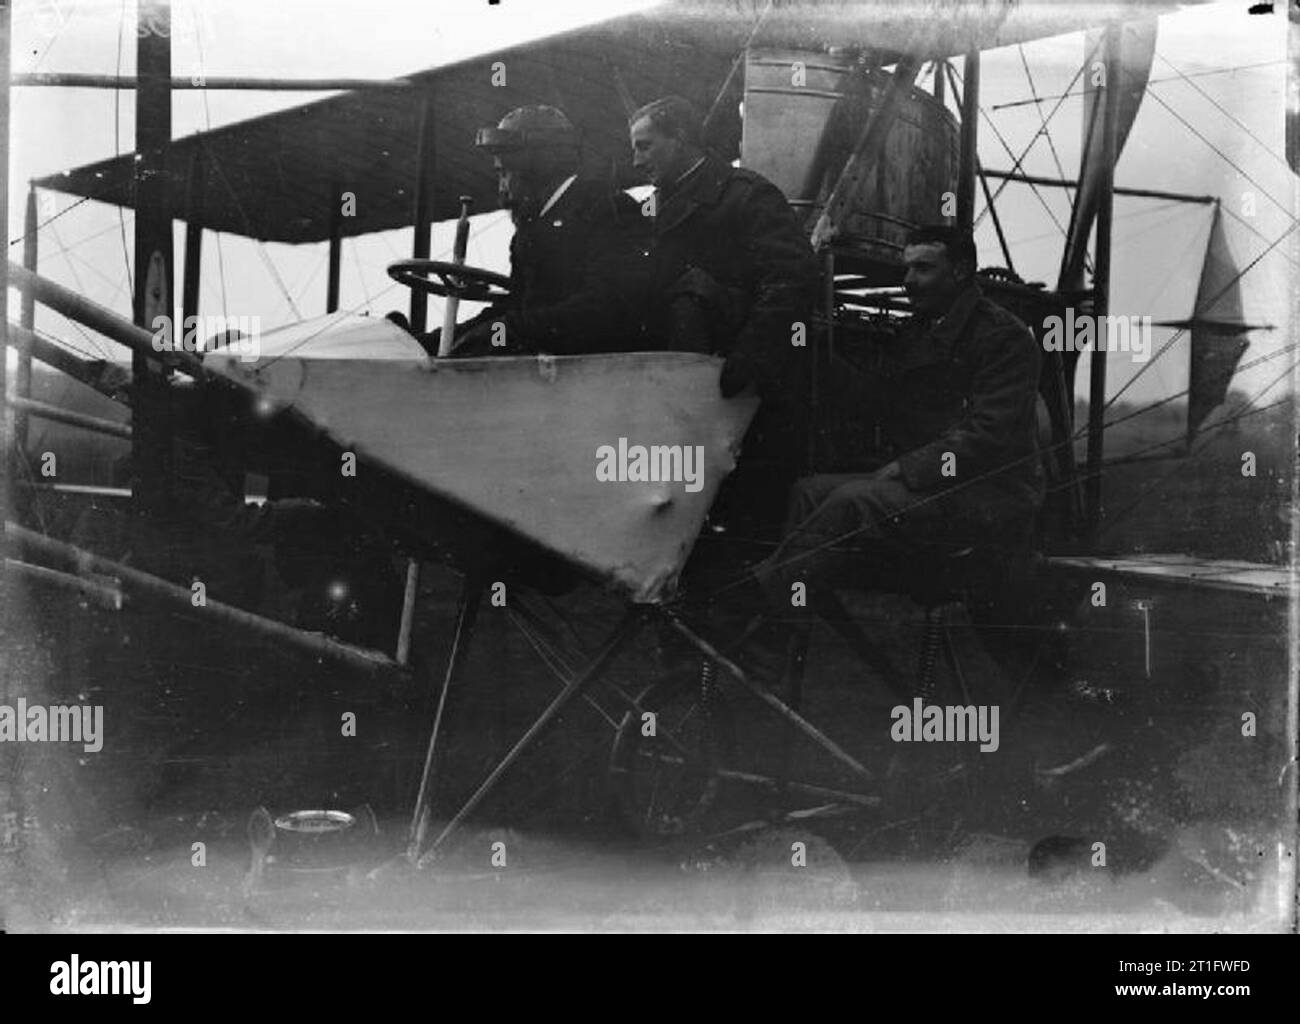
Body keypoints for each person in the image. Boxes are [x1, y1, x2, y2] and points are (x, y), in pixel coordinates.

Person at [749, 225, 1044, 617]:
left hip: (990, 496)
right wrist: (818, 350)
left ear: (960, 271)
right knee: (808, 491)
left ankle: (749, 606)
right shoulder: (919, 331)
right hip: (934, 489)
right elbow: (880, 402)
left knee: (851, 501)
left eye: (923, 269)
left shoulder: (1005, 338)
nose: (908, 282)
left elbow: (987, 435)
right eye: (907, 269)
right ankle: (780, 619)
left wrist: (910, 467)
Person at [628, 95, 820, 538]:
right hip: (671, 383)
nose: (635, 161)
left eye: (645, 146)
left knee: (733, 519)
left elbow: (793, 279)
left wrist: (746, 361)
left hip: (737, 387)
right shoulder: (652, 211)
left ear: (680, 140)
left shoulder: (748, 196)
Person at [435, 104, 650, 356]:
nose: (502, 188)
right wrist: (428, 341)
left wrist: (503, 333)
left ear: (536, 167)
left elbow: (603, 309)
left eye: (505, 173)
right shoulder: (529, 232)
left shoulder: (610, 210)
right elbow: (513, 309)